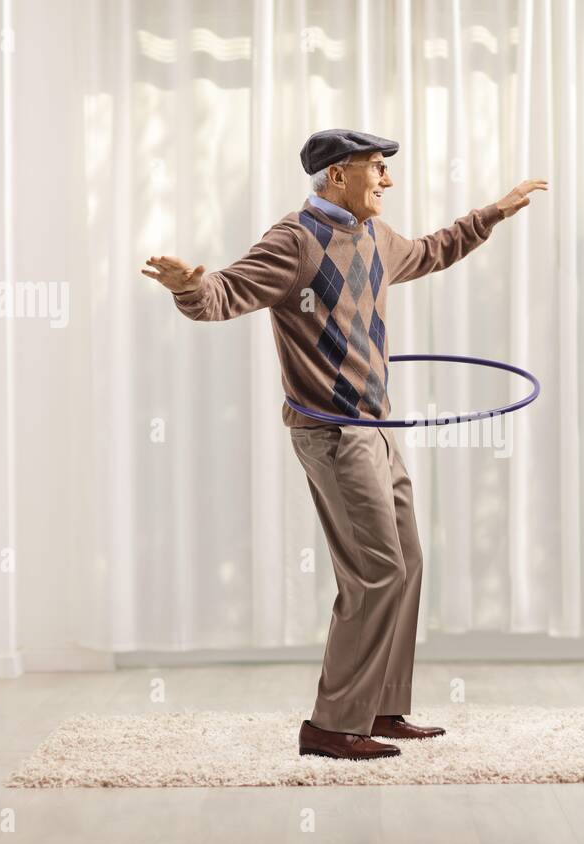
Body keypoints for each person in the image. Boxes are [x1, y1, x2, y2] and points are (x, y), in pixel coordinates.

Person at [143, 128, 546, 759]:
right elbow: (221, 295)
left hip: (378, 426)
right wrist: (187, 286)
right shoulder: (295, 243)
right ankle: (330, 725)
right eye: (377, 168)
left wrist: (492, 212)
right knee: (374, 570)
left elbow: (434, 250)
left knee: (406, 561)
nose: (387, 179)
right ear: (337, 176)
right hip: (332, 433)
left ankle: (381, 707)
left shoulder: (378, 237)